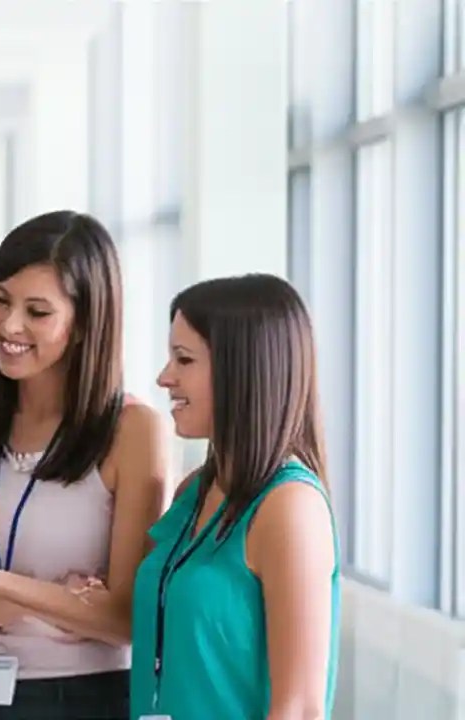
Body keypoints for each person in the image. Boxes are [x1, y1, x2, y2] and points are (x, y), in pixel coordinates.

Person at [0, 211, 170, 719]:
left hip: (84, 699)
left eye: (37, 311)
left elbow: (126, 617)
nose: (9, 325)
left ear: (86, 322)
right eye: (1, 299)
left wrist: (0, 586)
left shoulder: (132, 431)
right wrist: (56, 598)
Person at [129, 274, 339, 719]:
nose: (164, 377)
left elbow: (299, 709)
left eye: (183, 360)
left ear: (241, 370)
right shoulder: (194, 491)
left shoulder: (289, 507)